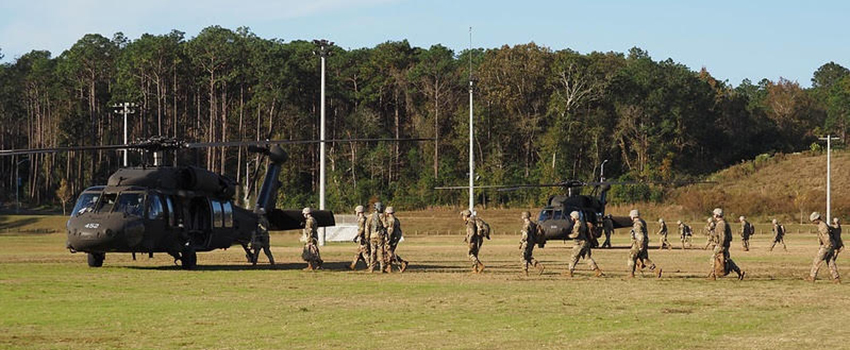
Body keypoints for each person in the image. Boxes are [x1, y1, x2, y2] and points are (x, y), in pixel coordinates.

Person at [708, 208, 745, 281]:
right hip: (724, 245)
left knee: (713, 258)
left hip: (721, 245)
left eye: (714, 214)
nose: (713, 216)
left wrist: (720, 245)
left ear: (717, 215)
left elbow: (722, 236)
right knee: (726, 260)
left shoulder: (721, 224)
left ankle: (713, 275)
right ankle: (739, 272)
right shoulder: (724, 223)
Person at [566, 211, 604, 278]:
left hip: (579, 244)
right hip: (585, 243)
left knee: (574, 257)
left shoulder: (577, 225)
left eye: (571, 216)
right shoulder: (583, 223)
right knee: (587, 258)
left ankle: (570, 271)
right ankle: (597, 271)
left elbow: (576, 234)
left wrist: (569, 236)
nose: (571, 218)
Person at [807, 212, 840, 283]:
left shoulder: (822, 226)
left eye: (813, 221)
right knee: (830, 262)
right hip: (830, 246)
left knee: (817, 261)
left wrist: (826, 246)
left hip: (826, 246)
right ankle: (836, 278)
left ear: (816, 219)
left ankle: (812, 277)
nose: (813, 223)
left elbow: (826, 237)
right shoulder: (823, 225)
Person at [628, 210, 662, 278]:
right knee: (644, 259)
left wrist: (640, 246)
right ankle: (656, 270)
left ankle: (631, 274)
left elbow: (640, 235)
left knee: (631, 257)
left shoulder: (637, 224)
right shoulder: (642, 222)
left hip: (638, 243)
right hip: (644, 242)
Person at [384, 206, 409, 273]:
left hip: (392, 238)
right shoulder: (396, 219)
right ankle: (388, 268)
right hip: (396, 237)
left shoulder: (391, 220)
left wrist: (387, 240)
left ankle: (402, 263)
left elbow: (390, 231)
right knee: (388, 252)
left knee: (388, 251)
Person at [519, 211, 545, 276]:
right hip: (532, 243)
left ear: (525, 216)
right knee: (528, 256)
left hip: (526, 242)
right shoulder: (532, 224)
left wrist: (521, 242)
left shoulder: (526, 224)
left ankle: (525, 271)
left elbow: (525, 235)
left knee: (523, 257)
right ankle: (539, 266)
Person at [367, 202, 388, 273]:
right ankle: (382, 268)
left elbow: (367, 228)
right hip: (379, 236)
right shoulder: (382, 216)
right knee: (381, 251)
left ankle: (371, 268)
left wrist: (367, 237)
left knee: (373, 252)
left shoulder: (370, 216)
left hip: (372, 236)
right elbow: (385, 225)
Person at [349, 205, 370, 270]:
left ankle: (370, 266)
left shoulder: (362, 219)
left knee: (365, 253)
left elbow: (361, 229)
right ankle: (352, 266)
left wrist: (356, 236)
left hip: (364, 238)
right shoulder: (365, 218)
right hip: (364, 238)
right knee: (358, 253)